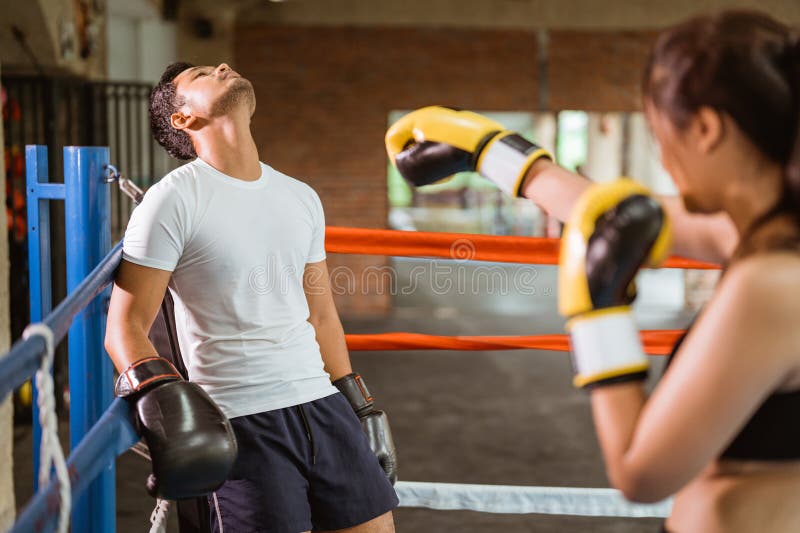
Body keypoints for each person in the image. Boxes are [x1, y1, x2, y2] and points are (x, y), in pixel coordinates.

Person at [386, 10, 800, 532]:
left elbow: (640, 473)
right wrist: (492, 153)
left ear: (705, 127)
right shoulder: (761, 232)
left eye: (659, 132)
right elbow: (603, 211)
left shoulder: (771, 285)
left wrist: (598, 315)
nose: (664, 156)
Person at [105, 62, 398, 533]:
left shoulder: (299, 196)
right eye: (202, 73)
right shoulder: (173, 201)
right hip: (241, 419)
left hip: (322, 406)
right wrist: (172, 413)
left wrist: (359, 406)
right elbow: (125, 326)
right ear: (183, 119)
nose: (222, 66)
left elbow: (322, 315)